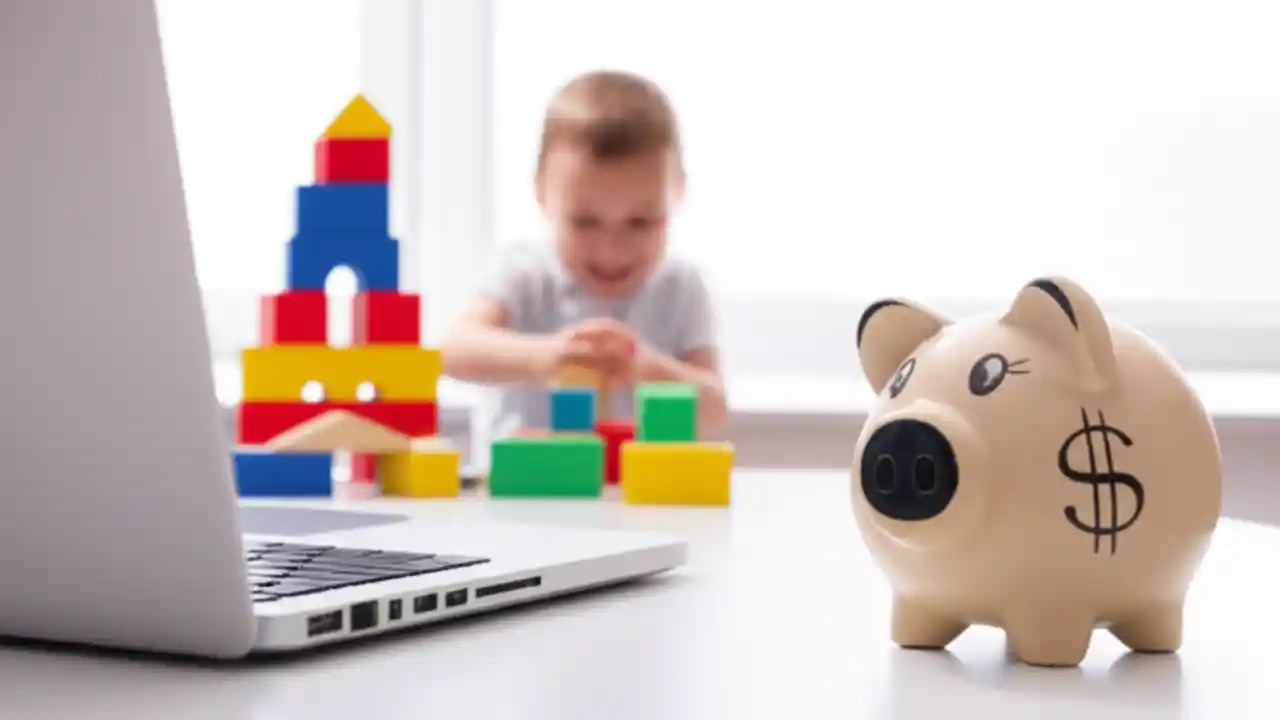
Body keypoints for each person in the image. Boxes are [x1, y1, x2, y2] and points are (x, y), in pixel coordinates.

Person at [441, 69, 727, 438]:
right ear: (542, 194)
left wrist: (647, 368)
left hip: (633, 477)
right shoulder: (524, 271)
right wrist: (546, 356)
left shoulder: (682, 288)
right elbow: (453, 351)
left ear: (678, 195)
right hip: (525, 475)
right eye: (584, 222)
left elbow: (714, 408)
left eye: (640, 222)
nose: (611, 249)